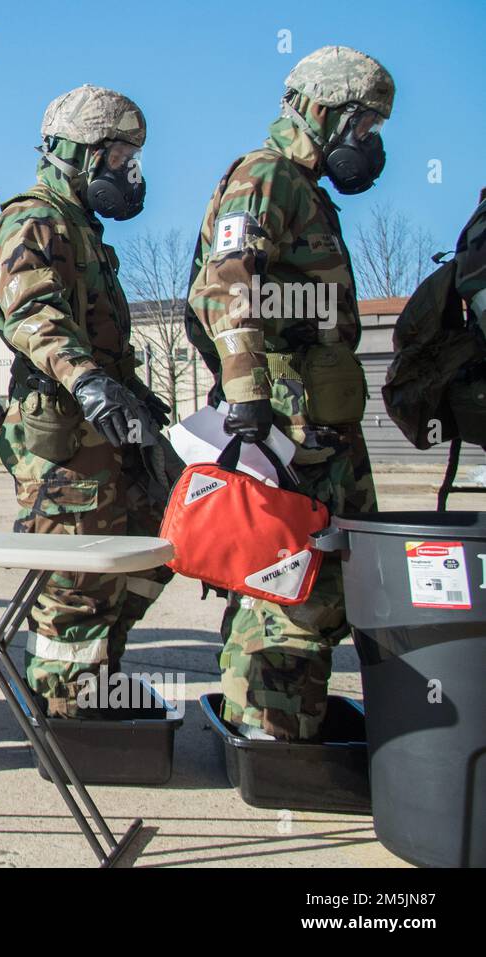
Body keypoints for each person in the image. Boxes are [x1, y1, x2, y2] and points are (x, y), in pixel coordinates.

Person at [186, 46, 395, 740]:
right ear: (323, 112)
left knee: (327, 578)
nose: (369, 144)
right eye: (362, 126)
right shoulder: (265, 176)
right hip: (290, 425)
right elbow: (225, 282)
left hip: (322, 425)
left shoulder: (303, 188)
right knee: (289, 579)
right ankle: (269, 734)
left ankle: (289, 724)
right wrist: (247, 395)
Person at [0, 85, 174, 720]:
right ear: (80, 154)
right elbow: (34, 313)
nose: (129, 173)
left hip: (106, 423)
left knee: (154, 540)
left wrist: (133, 393)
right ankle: (67, 705)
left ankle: (99, 673)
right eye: (120, 158)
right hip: (62, 429)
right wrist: (88, 380)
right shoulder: (31, 220)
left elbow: (99, 329)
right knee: (78, 570)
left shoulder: (81, 228)